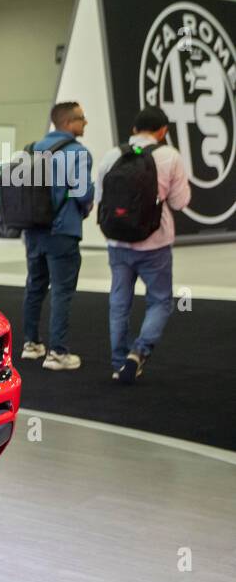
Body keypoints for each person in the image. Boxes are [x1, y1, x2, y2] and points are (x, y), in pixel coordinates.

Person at [96, 106, 191, 385]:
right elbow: (179, 202)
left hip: (117, 241)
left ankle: (118, 362)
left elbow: (102, 198)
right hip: (155, 243)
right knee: (160, 301)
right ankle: (139, 352)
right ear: (162, 131)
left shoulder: (112, 155)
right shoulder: (170, 156)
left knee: (119, 302)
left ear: (134, 129)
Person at [20, 101, 96, 371]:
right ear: (67, 123)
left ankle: (31, 345)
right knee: (62, 291)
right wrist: (88, 205)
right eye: (81, 118)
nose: (85, 122)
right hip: (62, 231)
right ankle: (57, 353)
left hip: (33, 231)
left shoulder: (32, 149)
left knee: (35, 287)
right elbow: (83, 193)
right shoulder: (78, 153)